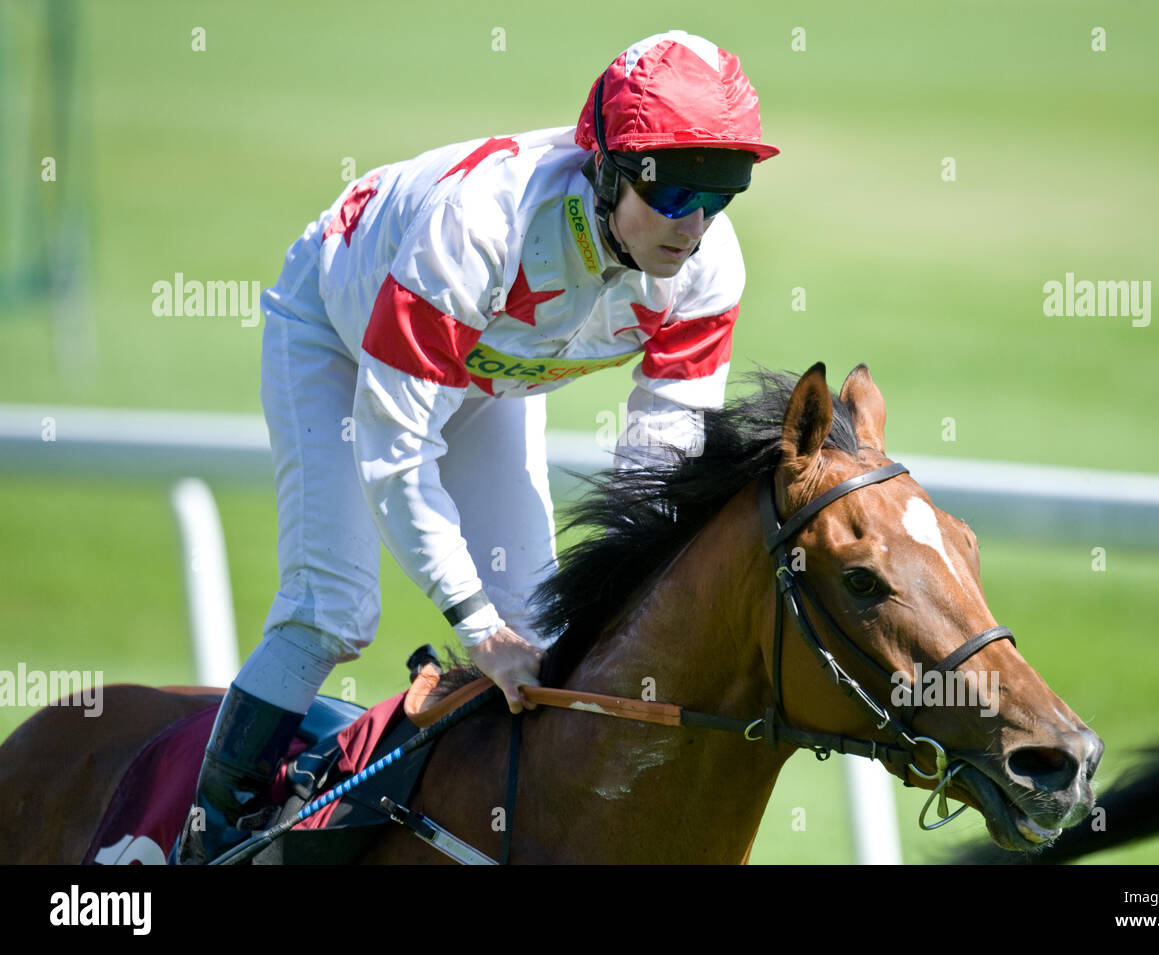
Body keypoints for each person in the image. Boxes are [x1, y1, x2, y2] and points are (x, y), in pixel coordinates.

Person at [172, 29, 779, 864]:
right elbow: (394, 453)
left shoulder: (708, 269)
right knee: (334, 605)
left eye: (724, 189)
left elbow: (659, 474)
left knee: (542, 632)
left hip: (490, 371)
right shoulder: (479, 226)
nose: (697, 222)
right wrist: (473, 624)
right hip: (338, 336)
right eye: (672, 190)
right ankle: (204, 839)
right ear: (604, 169)